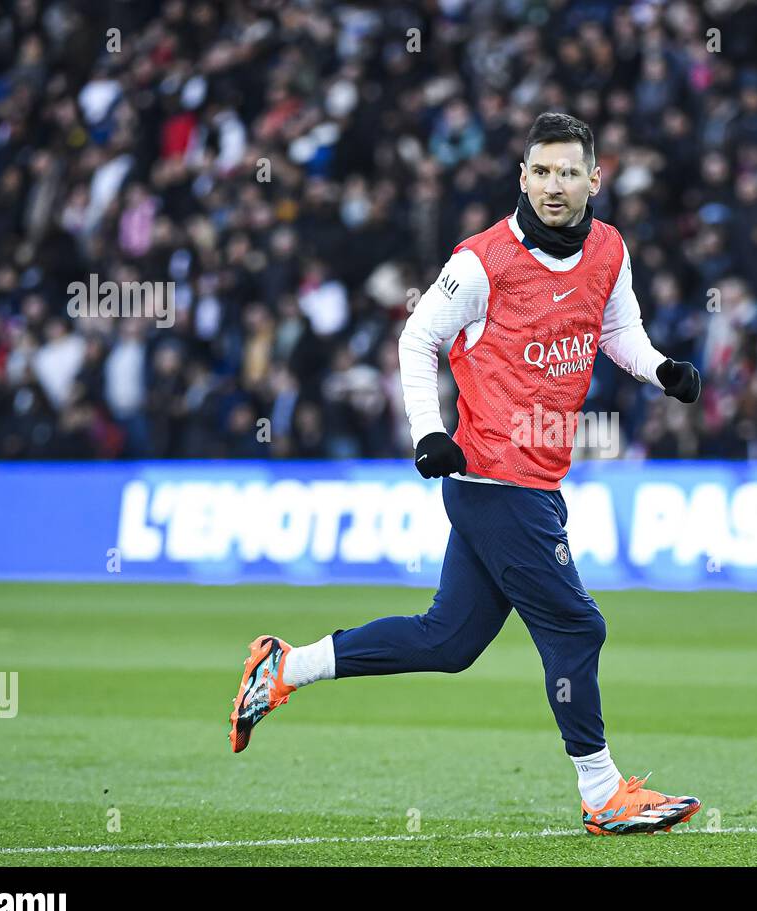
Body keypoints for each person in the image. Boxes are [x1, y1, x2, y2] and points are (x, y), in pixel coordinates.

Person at [228, 112, 704, 835]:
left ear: (594, 179)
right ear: (521, 177)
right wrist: (429, 434)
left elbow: (615, 330)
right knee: (577, 626)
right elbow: (416, 338)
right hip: (491, 479)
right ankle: (603, 793)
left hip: (538, 477)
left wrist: (659, 368)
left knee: (448, 641)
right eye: (541, 171)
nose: (554, 185)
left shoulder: (609, 249)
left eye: (568, 171)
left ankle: (284, 668)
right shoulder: (483, 260)